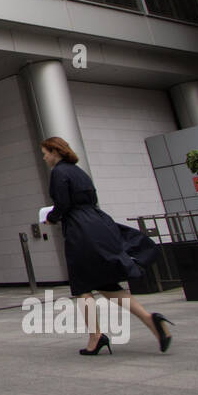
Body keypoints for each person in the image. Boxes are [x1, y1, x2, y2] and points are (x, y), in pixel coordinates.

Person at [40, 137, 174, 356]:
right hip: (98, 224)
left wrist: (51, 218)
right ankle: (151, 321)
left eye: (45, 152)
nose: (44, 157)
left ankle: (95, 336)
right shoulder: (79, 171)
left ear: (55, 152)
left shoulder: (59, 173)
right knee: (106, 284)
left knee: (82, 286)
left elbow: (63, 204)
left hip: (79, 230)